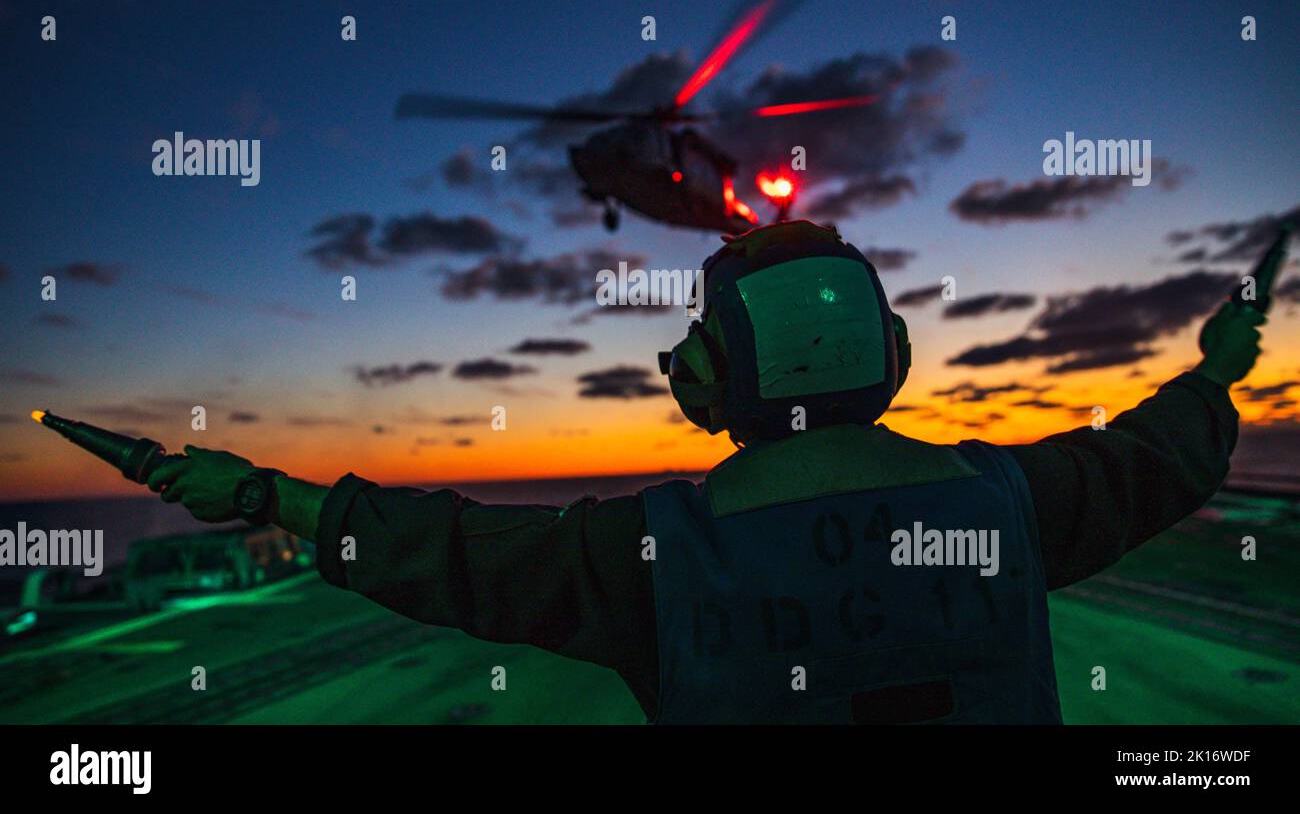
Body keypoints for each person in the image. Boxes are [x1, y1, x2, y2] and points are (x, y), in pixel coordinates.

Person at [148, 221, 1263, 723]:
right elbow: (1159, 454)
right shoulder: (1014, 505)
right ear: (891, 359)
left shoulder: (647, 551)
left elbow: (445, 551)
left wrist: (258, 494)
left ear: (713, 379)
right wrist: (1215, 371)